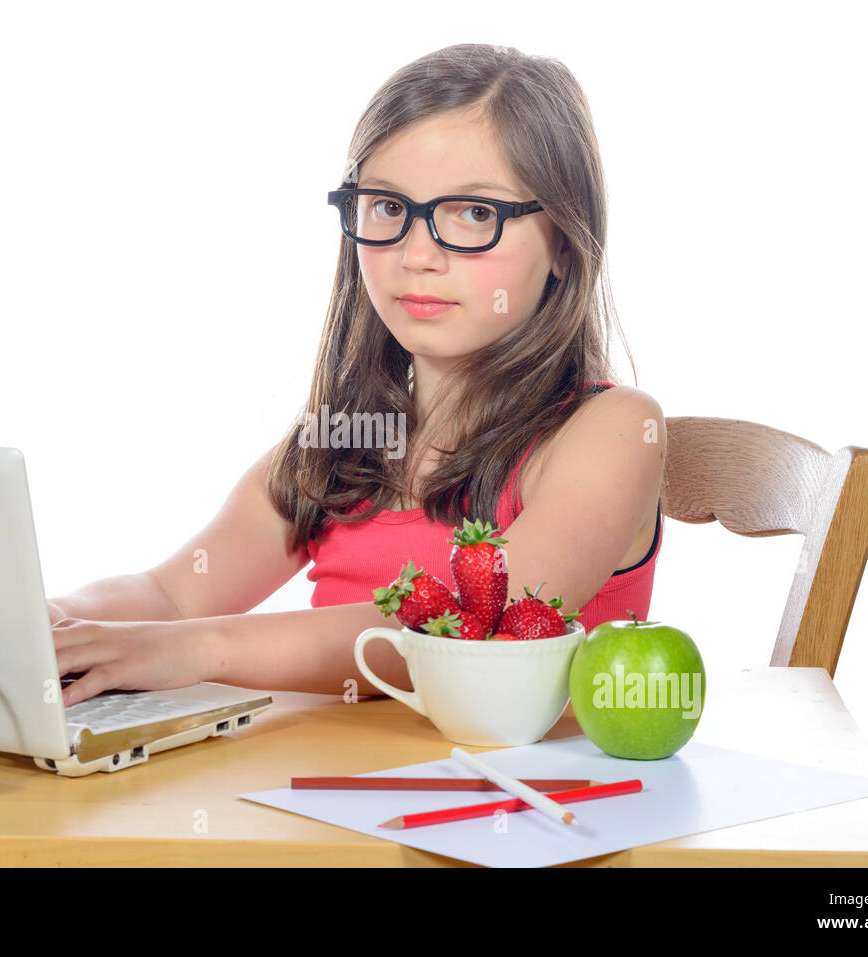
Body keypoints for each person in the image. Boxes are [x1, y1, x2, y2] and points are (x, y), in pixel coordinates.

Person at [48, 43, 666, 706]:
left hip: (508, 803)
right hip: (323, 793)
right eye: (390, 208)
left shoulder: (614, 430)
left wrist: (197, 649)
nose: (418, 253)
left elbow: (466, 624)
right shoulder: (346, 437)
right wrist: (54, 619)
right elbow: (171, 593)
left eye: (476, 214)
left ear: (567, 247)